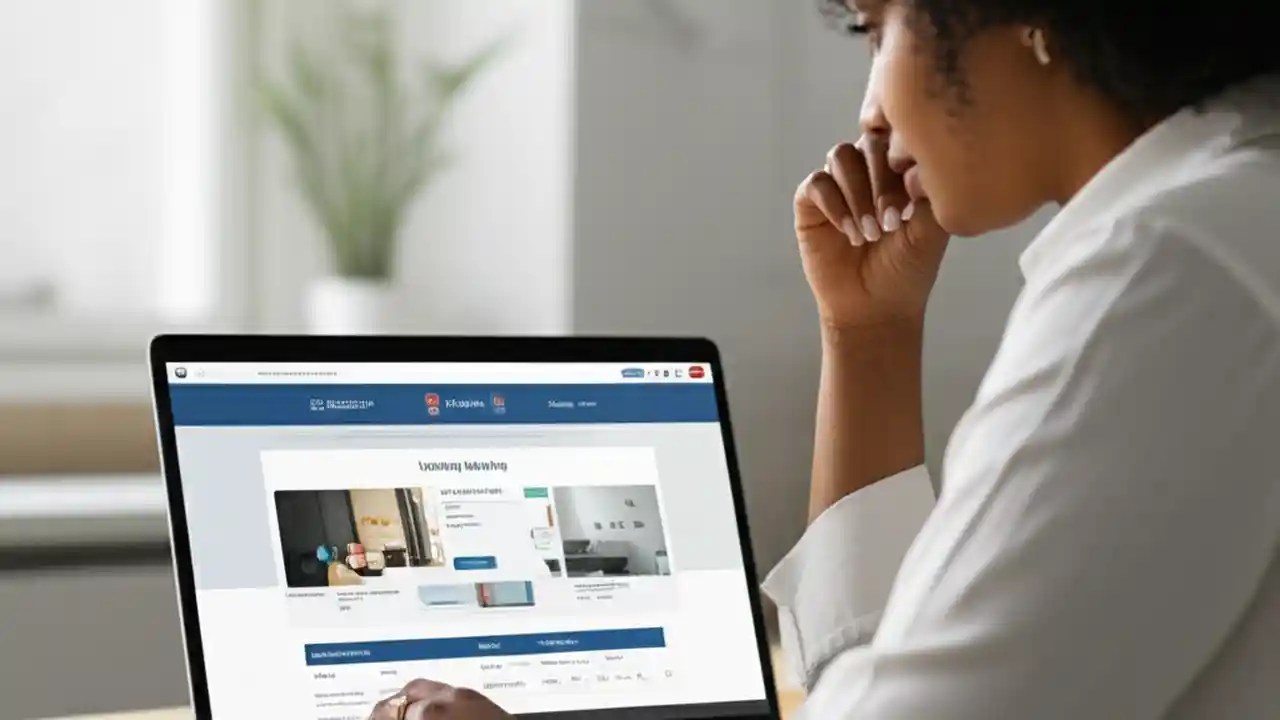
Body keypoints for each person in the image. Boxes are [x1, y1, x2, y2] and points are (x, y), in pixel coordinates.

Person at [369, 0, 1280, 717]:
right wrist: (868, 337)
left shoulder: (1166, 268)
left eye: (876, 27)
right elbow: (902, 680)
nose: (871, 111)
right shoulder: (1233, 212)